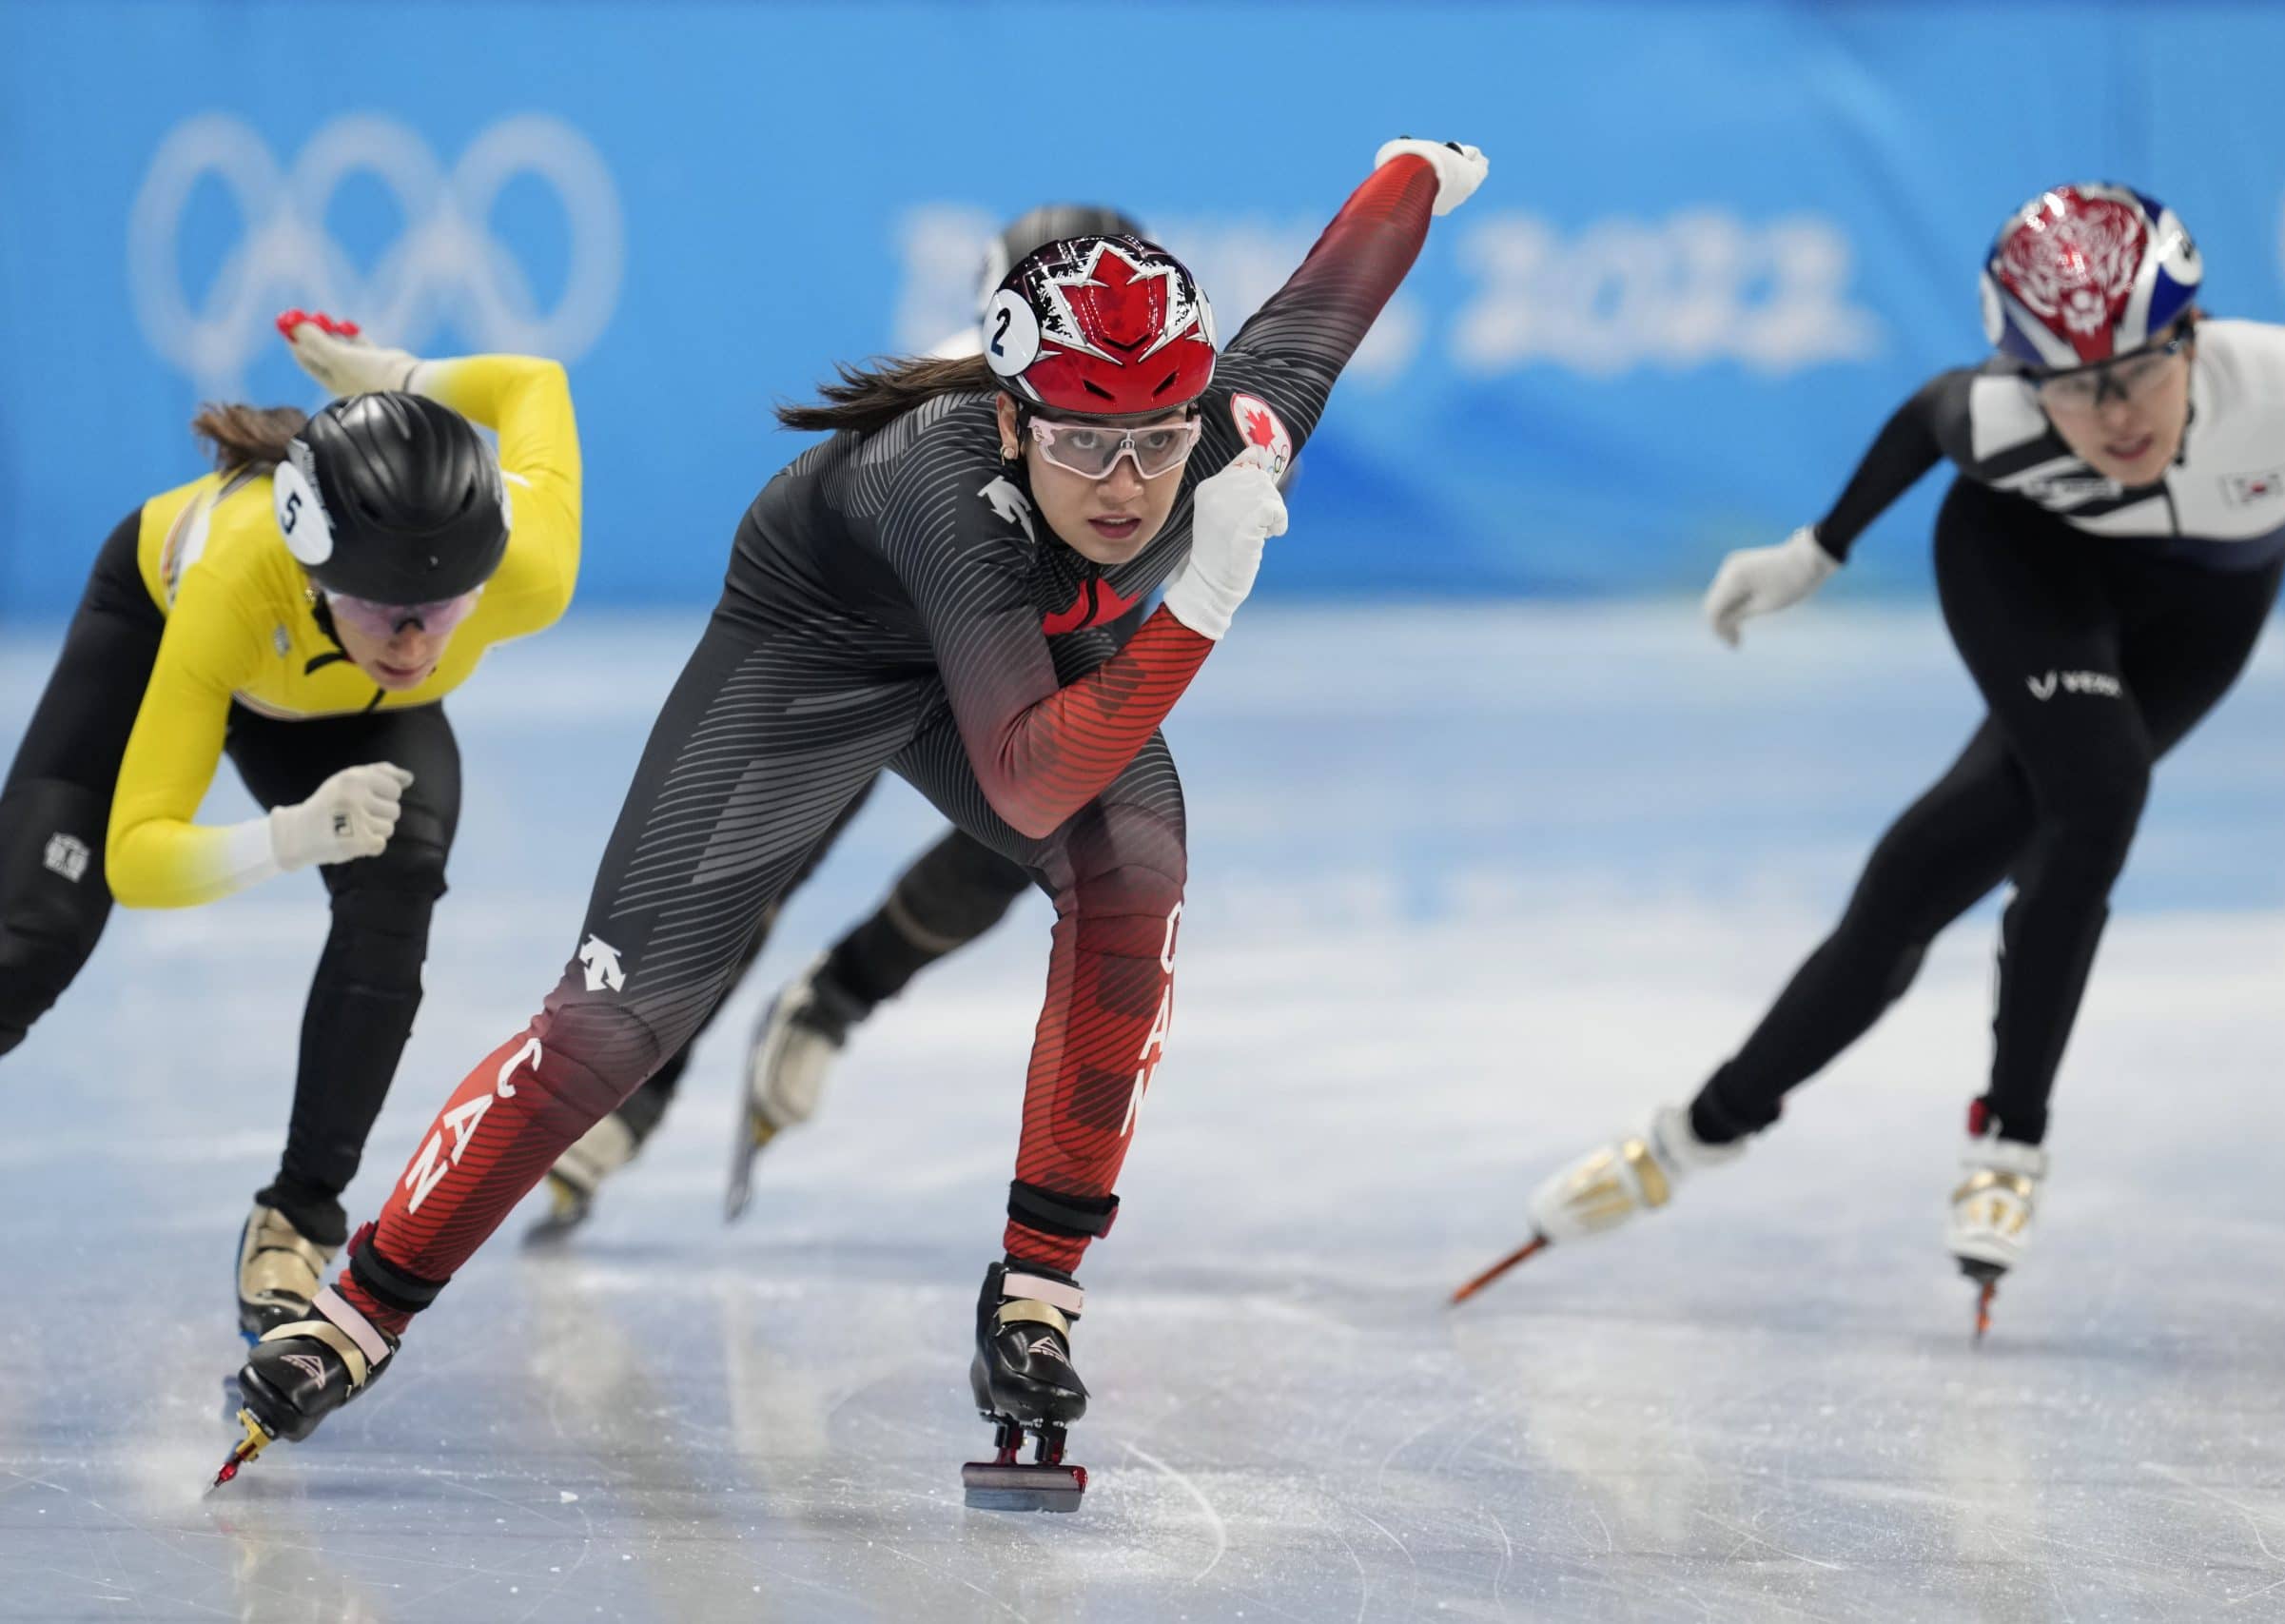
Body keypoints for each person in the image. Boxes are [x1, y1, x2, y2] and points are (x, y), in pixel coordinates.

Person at [218, 139, 1488, 1508]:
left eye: (1158, 442)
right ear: (1012, 422)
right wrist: (1202, 598)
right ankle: (357, 1309)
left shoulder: (1228, 434)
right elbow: (1027, 784)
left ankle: (1038, 1293)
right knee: (615, 1024)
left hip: (1006, 664)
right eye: (1080, 442)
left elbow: (1326, 303)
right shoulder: (944, 483)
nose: (1126, 485)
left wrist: (1414, 171)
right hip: (816, 658)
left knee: (1138, 863)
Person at [1455, 183, 2285, 1333]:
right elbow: (1924, 416)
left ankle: (1689, 1137)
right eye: (2071, 387)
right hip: (2026, 565)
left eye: (2135, 374)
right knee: (2093, 788)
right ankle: (1996, 1142)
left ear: (2191, 335)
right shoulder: (2002, 418)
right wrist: (1816, 552)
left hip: (2204, 611)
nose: (2112, 416)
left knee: (1946, 861)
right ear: (2028, 380)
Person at [531, 205, 1157, 1240]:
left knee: (1040, 831)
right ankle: (639, 1090)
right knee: (764, 856)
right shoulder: (943, 403)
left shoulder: (1165, 414)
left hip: (1022, 642)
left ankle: (836, 998)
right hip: (878, 642)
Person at [0, 313, 580, 1340]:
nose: (414, 642)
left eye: (446, 605)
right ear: (314, 571)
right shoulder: (233, 582)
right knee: (31, 940)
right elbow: (135, 857)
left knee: (397, 885)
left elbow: (535, 383)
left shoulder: (526, 565)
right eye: (382, 607)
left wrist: (398, 373)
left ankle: (298, 1217)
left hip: (352, 710)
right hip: (164, 629)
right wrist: (283, 838)